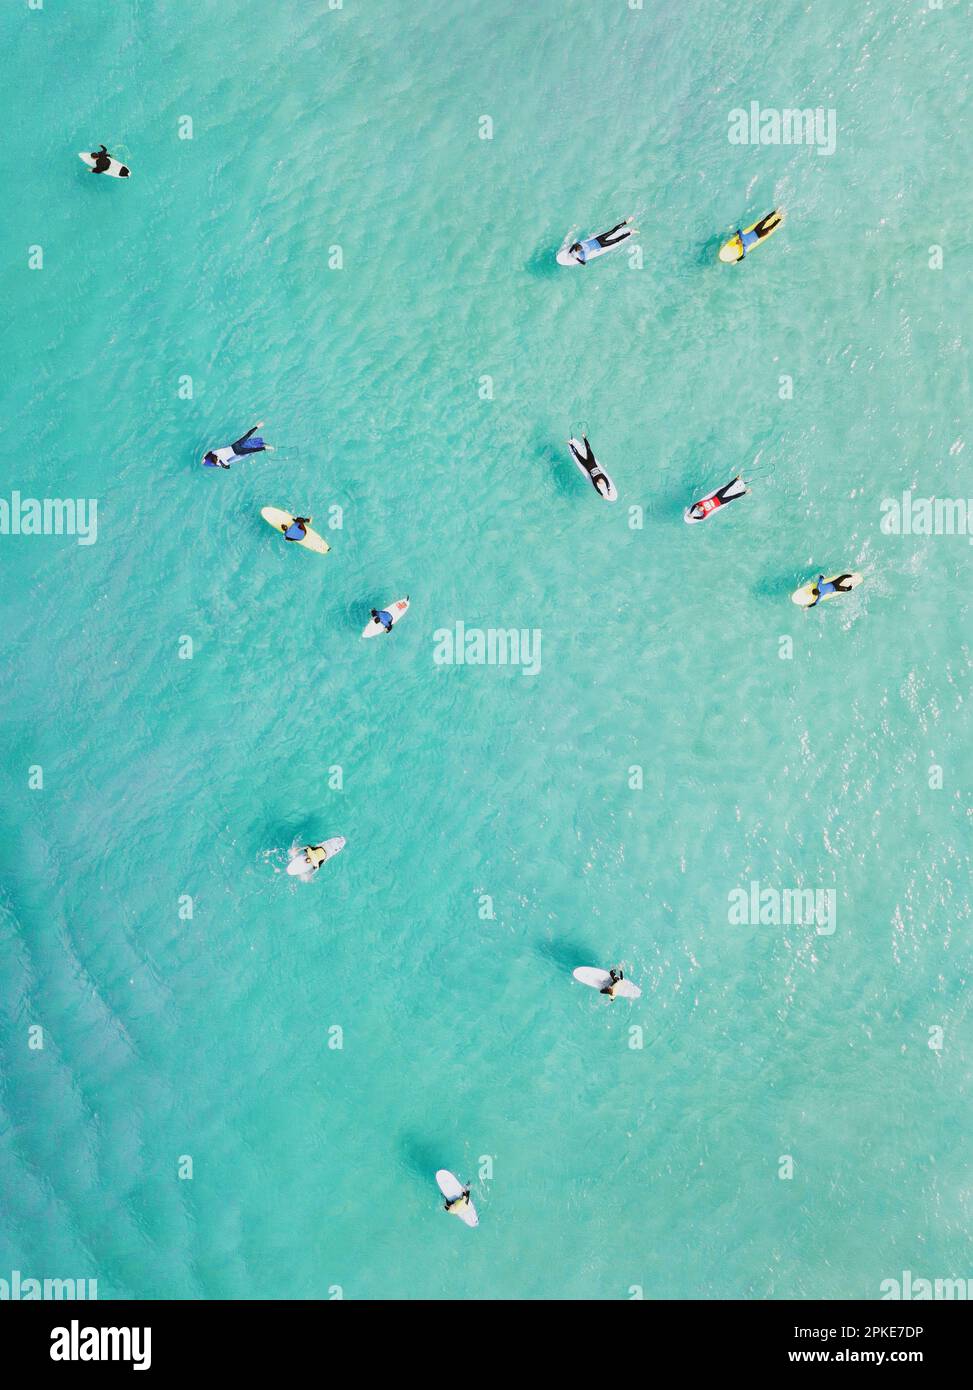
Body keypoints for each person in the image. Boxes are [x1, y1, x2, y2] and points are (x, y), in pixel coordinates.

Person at [202, 422, 274, 468]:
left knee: (252, 450)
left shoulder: (222, 460)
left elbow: (228, 467)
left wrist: (221, 464)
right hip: (235, 445)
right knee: (247, 435)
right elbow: (209, 453)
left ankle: (265, 448)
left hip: (238, 451)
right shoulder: (215, 452)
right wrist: (205, 458)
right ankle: (258, 426)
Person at [570, 218, 634, 265]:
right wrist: (571, 251)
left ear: (580, 250)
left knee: (616, 240)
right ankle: (625, 222)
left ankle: (630, 232)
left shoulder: (585, 252)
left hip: (602, 244)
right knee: (612, 231)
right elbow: (574, 245)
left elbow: (584, 263)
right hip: (599, 239)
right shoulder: (581, 243)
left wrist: (576, 258)